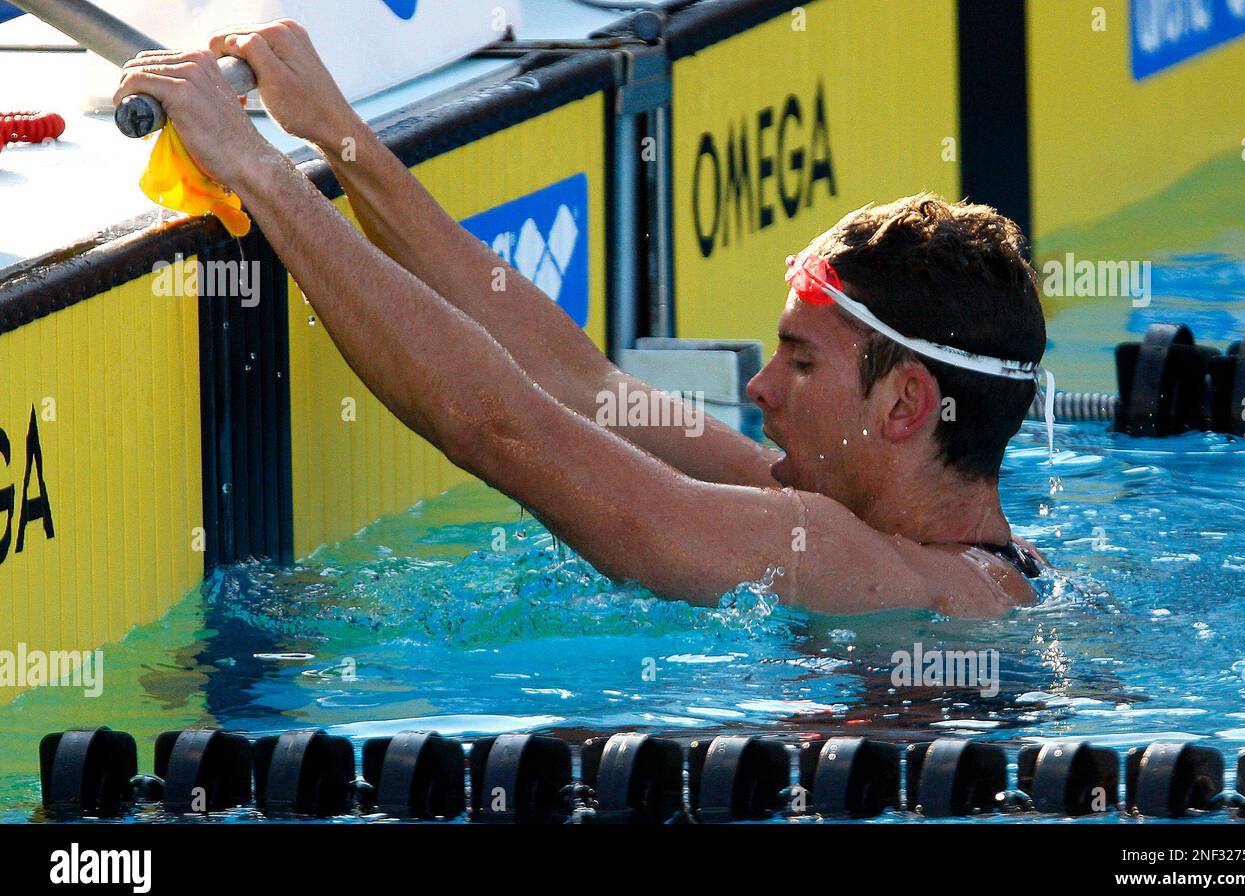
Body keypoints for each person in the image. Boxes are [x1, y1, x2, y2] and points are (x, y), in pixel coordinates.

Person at [114, 19, 1049, 618]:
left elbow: (506, 429)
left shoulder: (873, 569)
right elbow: (584, 387)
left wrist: (262, 179)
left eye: (802, 365)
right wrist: (341, 137)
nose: (758, 388)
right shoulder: (857, 518)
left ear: (905, 405)